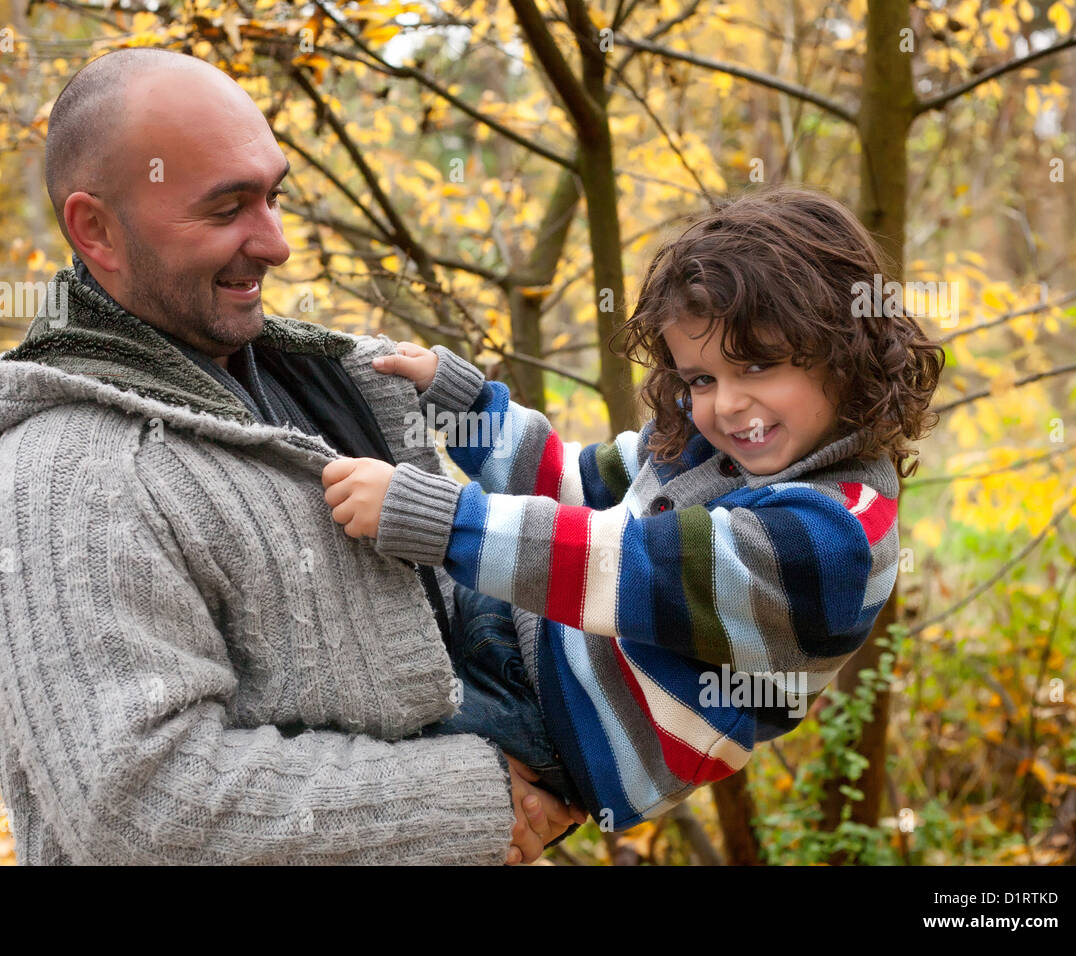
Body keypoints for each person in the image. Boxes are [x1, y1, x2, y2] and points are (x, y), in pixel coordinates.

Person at [0, 47, 583, 865]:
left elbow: (457, 625)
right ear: (96, 230)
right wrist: (471, 802)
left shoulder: (353, 385)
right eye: (227, 210)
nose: (277, 243)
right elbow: (141, 808)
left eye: (274, 196)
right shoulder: (58, 477)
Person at [322, 186, 946, 831]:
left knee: (336, 749)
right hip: (525, 636)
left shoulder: (835, 539)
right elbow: (569, 484)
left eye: (757, 366)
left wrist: (443, 520)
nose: (726, 404)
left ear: (847, 352)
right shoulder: (704, 441)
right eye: (701, 378)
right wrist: (467, 406)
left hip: (556, 727)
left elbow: (621, 564)